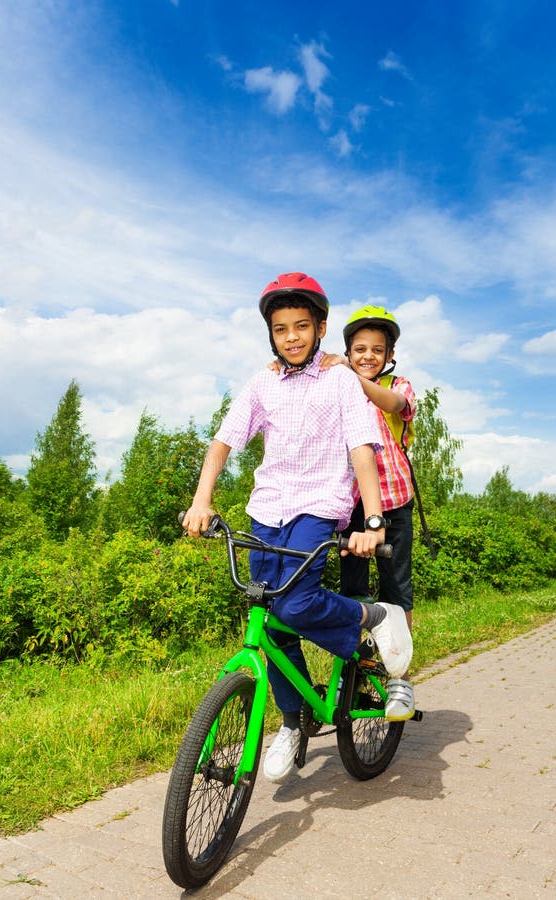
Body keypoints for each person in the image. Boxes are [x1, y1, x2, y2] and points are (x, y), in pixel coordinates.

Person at [183, 273, 413, 784]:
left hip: (318, 506)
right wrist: (202, 500)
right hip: (266, 510)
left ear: (320, 328)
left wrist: (374, 521)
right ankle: (293, 721)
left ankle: (373, 615)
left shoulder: (340, 381)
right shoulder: (262, 382)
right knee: (269, 620)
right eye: (281, 328)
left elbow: (362, 449)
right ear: (271, 334)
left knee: (295, 604)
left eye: (302, 326)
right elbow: (223, 441)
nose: (291, 337)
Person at [321, 305, 416, 719]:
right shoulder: (336, 384)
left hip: (394, 503)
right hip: (352, 505)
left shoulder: (398, 385)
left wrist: (350, 376)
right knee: (353, 590)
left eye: (378, 350)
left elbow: (393, 403)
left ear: (389, 355)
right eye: (359, 349)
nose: (368, 356)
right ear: (348, 350)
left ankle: (400, 678)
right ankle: (353, 669)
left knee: (397, 590)